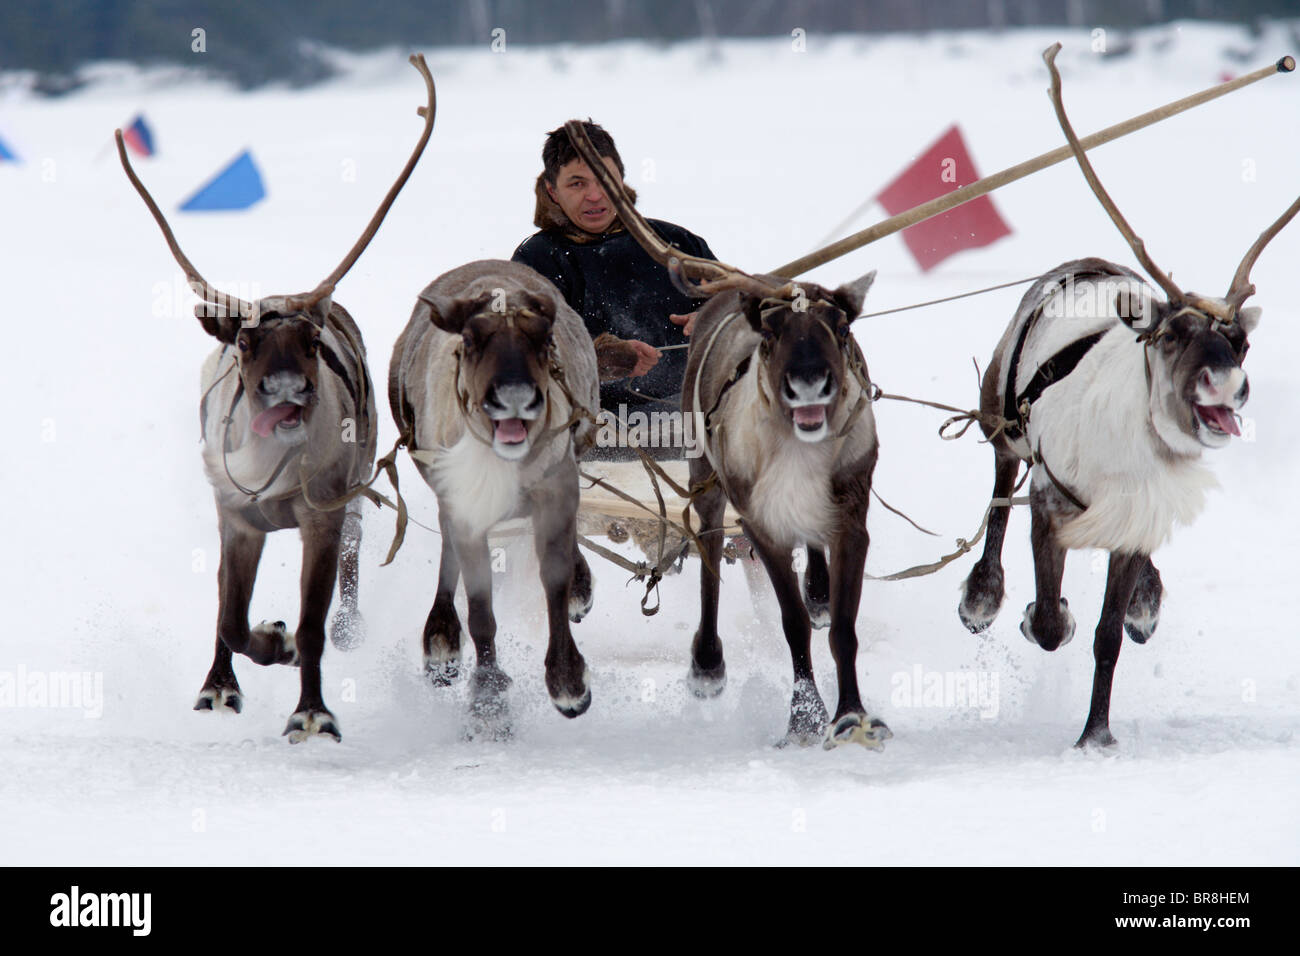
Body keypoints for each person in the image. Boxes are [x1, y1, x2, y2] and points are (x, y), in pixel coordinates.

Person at [511, 121, 717, 451]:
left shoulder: (677, 243)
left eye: (605, 179)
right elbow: (523, 353)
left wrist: (714, 316)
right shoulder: (536, 261)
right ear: (552, 191)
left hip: (695, 426)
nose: (595, 196)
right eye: (577, 184)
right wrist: (598, 357)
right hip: (593, 434)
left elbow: (740, 310)